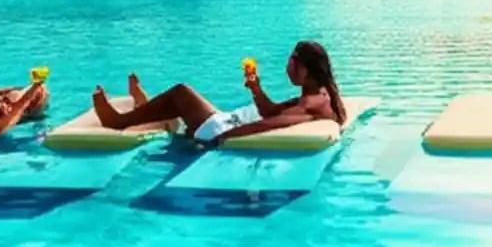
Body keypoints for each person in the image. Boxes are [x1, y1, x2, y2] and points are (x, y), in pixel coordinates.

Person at [91, 41, 346, 148]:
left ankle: (118, 121)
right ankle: (144, 107)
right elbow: (272, 111)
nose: (287, 67)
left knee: (181, 93)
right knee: (182, 106)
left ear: (302, 67)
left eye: (291, 61)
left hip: (221, 130)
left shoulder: (311, 102)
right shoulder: (320, 94)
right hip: (231, 122)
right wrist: (256, 89)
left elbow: (271, 123)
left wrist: (224, 138)